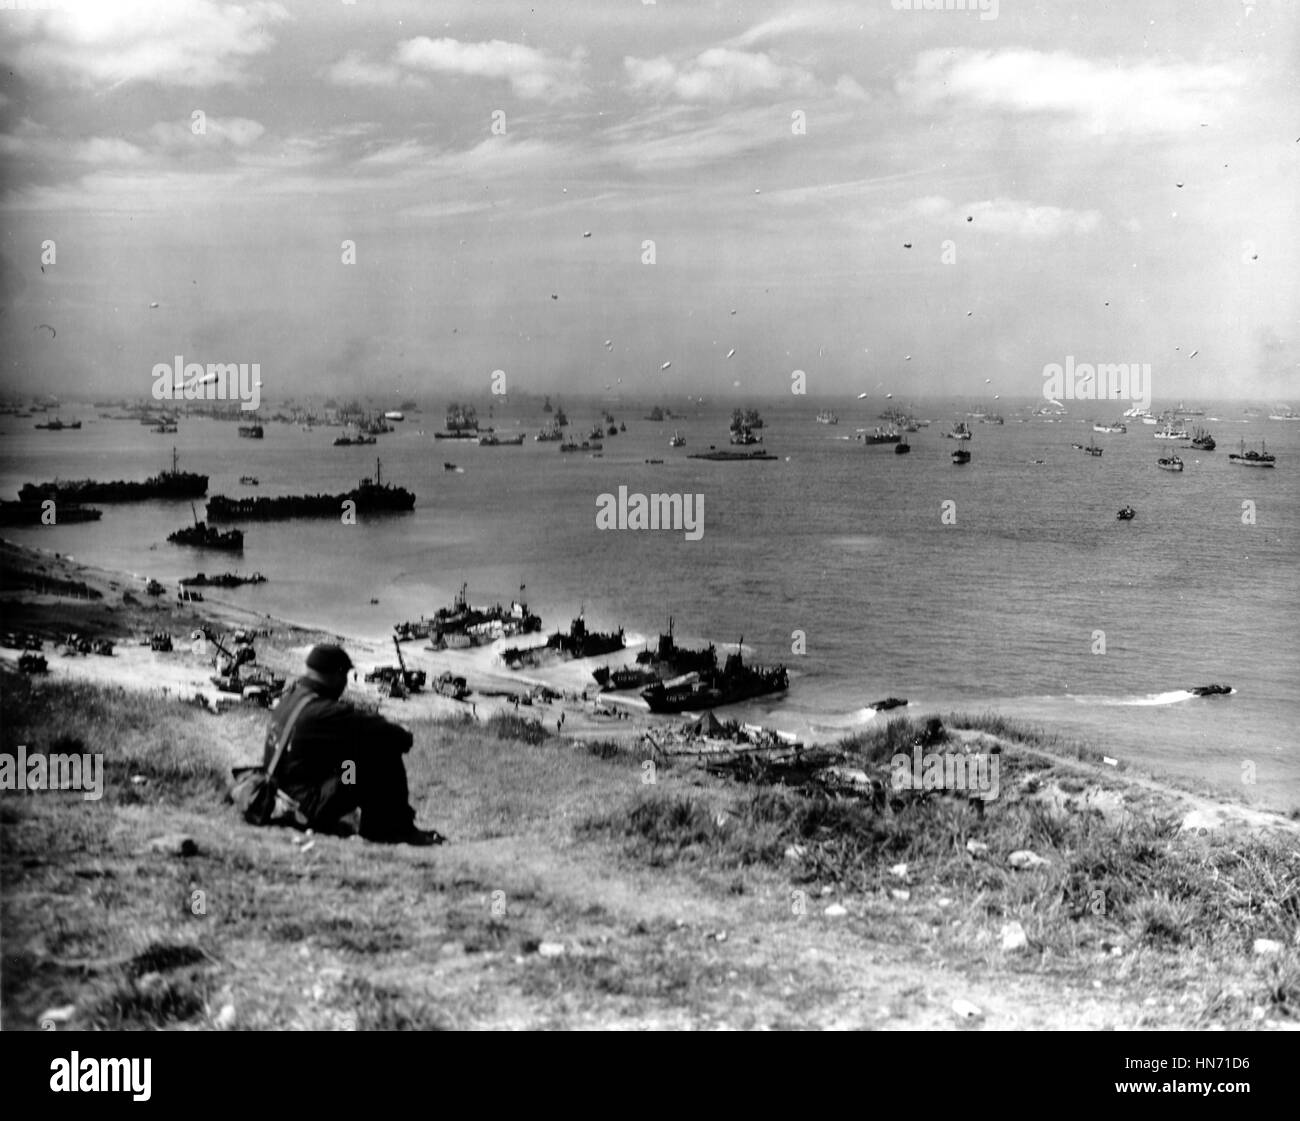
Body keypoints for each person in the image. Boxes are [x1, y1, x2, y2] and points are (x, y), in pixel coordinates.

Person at [263, 644, 445, 845]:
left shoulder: (292, 699)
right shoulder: (325, 711)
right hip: (306, 803)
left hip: (280, 790)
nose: (345, 683)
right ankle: (394, 831)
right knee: (379, 756)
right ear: (336, 675)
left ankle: (382, 828)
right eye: (344, 676)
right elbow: (396, 737)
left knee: (354, 758)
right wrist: (401, 733)